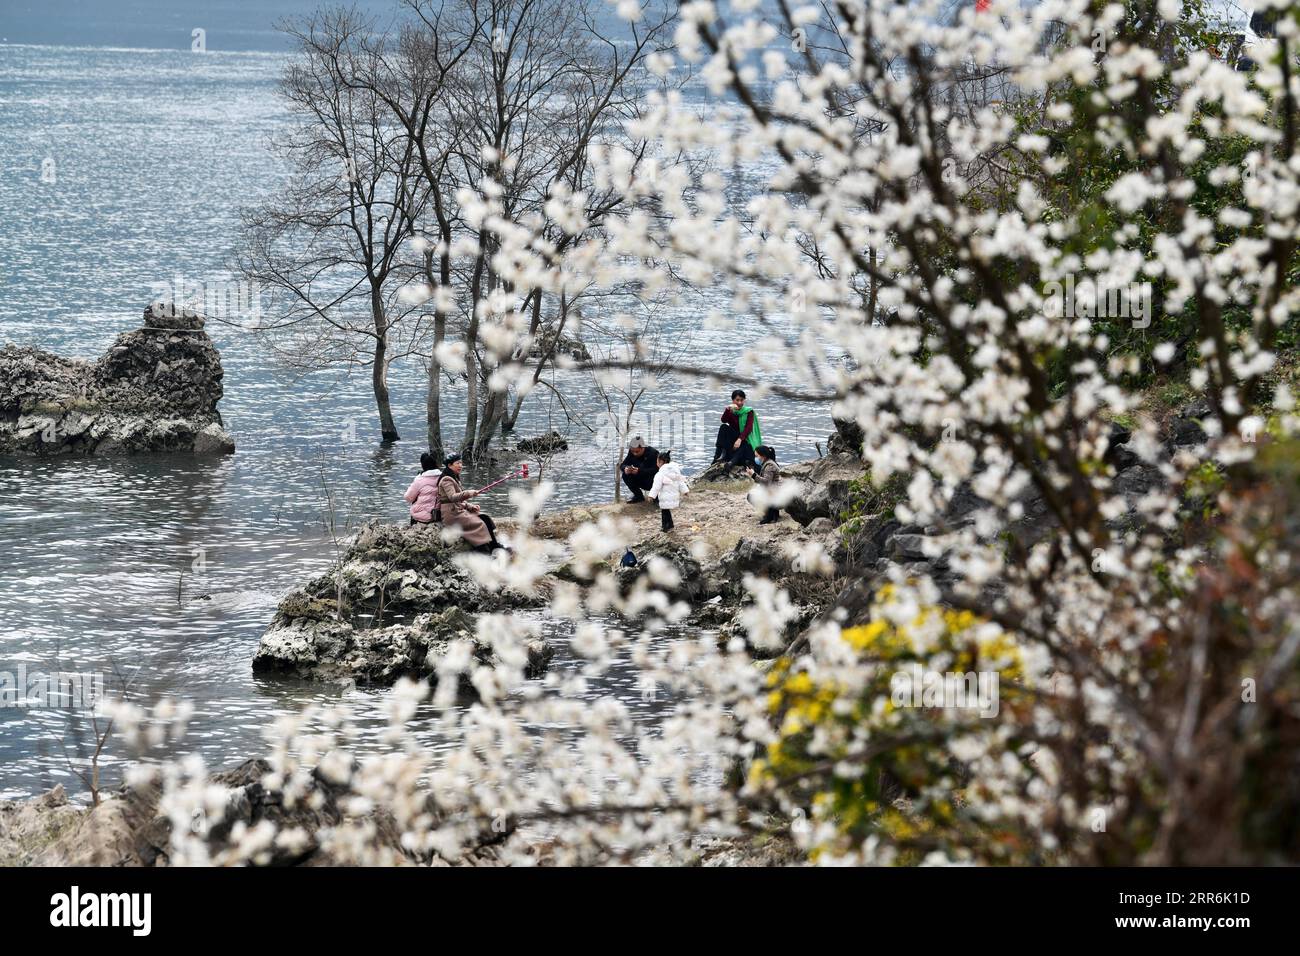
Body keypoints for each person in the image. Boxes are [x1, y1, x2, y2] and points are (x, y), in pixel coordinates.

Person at [437, 454, 506, 553]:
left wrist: (470, 506)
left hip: (457, 511)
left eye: (461, 463)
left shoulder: (454, 478)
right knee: (479, 524)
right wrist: (468, 493)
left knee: (484, 518)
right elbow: (452, 497)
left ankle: (494, 545)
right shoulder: (446, 480)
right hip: (451, 514)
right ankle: (484, 550)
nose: (460, 465)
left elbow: (459, 501)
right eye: (457, 463)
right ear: (449, 465)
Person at [714, 389, 762, 475]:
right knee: (723, 427)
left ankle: (731, 463)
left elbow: (748, 428)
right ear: (733, 400)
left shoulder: (748, 411)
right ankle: (718, 456)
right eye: (737, 400)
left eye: (741, 400)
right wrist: (727, 410)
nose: (739, 402)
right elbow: (723, 420)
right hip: (733, 437)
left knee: (745, 445)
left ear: (744, 400)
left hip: (744, 438)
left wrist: (739, 439)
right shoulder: (731, 410)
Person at [647, 450, 689, 532]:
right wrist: (685, 491)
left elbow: (656, 487)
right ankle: (670, 525)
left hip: (665, 497)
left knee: (664, 512)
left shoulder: (660, 474)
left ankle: (666, 527)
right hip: (674, 496)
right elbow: (681, 482)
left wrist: (651, 496)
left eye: (657, 461)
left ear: (661, 462)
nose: (656, 463)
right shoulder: (675, 471)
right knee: (666, 511)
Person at [404, 452, 442, 528]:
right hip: (439, 515)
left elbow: (408, 498)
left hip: (421, 517)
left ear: (423, 465)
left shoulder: (420, 480)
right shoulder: (443, 477)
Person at [620, 436, 659, 503]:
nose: (634, 454)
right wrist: (625, 469)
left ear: (643, 448)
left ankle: (656, 496)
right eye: (633, 451)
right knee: (625, 475)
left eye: (637, 451)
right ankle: (639, 496)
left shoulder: (653, 453)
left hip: (653, 481)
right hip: (640, 478)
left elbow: (656, 470)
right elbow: (622, 465)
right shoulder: (631, 452)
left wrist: (639, 471)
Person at [751, 444, 782, 525]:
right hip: (776, 492)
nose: (756, 458)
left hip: (777, 495)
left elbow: (766, 482)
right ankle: (774, 514)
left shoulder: (769, 465)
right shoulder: (768, 463)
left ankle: (769, 515)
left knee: (751, 496)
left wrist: (753, 475)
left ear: (763, 456)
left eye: (757, 456)